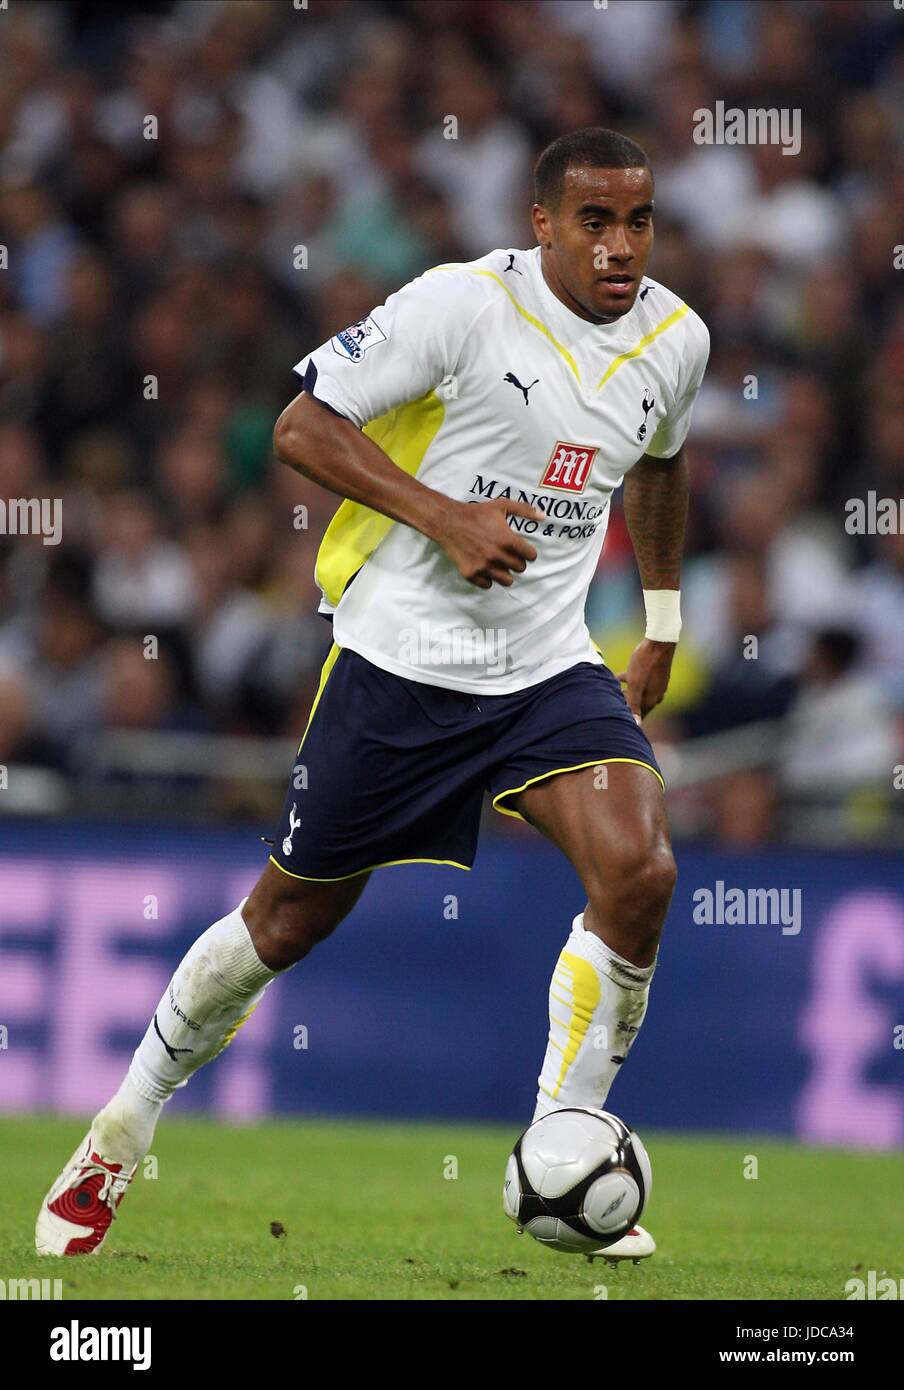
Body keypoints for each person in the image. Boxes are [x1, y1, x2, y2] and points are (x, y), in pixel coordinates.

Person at [36, 128, 709, 1262]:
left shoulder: (677, 340)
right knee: (284, 923)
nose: (620, 245)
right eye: (593, 220)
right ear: (540, 222)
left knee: (639, 871)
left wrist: (663, 617)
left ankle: (561, 1138)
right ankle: (122, 1124)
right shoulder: (458, 306)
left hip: (546, 668)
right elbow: (304, 426)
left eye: (637, 219)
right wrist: (442, 516)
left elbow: (662, 459)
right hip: (401, 663)